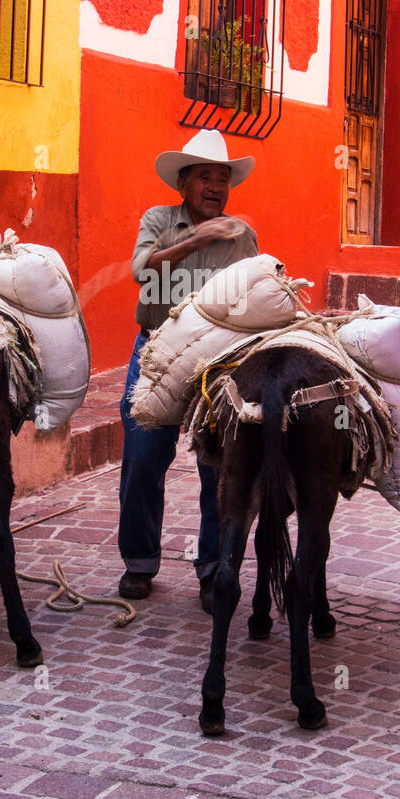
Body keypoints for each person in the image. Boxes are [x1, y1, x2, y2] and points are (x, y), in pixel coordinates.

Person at [118, 127, 259, 609]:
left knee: (218, 466)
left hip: (217, 364)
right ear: (184, 183)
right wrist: (196, 240)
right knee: (142, 456)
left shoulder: (243, 235)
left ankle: (213, 568)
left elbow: (257, 294)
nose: (217, 187)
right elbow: (141, 270)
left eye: (223, 178)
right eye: (206, 177)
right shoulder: (158, 219)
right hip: (155, 353)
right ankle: (139, 561)